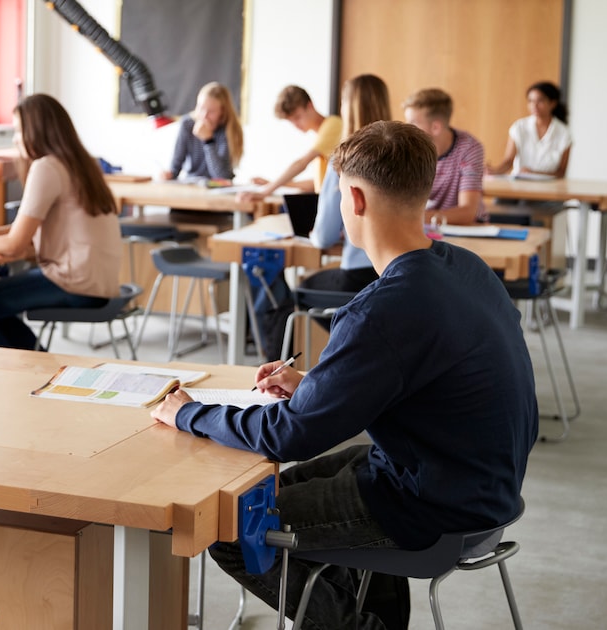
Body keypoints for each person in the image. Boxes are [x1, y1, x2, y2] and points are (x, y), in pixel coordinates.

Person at [151, 121, 538, 628]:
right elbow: (424, 381)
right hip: (483, 486)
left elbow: (290, 436)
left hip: (432, 504)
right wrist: (317, 385)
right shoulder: (465, 268)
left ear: (352, 198)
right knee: (263, 494)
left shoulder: (383, 310)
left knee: (230, 525)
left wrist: (189, 413)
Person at [0, 94, 122, 350]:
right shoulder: (81, 164)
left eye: (19, 131)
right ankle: (36, 364)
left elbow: (14, 245)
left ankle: (23, 368)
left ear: (37, 131)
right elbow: (19, 230)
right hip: (98, 282)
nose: (15, 139)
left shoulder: (47, 167)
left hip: (73, 282)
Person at [302, 74, 392, 293]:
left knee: (303, 287)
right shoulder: (404, 156)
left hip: (359, 277)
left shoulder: (343, 160)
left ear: (347, 108)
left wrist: (316, 235)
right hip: (399, 273)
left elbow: (325, 237)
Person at [238, 85, 342, 202]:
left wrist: (265, 192)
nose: (296, 125)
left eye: (297, 117)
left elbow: (301, 163)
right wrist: (271, 183)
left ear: (310, 106)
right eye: (291, 121)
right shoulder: (320, 137)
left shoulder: (332, 125)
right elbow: (316, 184)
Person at [402, 88, 487, 225]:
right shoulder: (407, 148)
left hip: (466, 228)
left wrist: (411, 218)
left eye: (413, 123)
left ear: (436, 127)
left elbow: (467, 213)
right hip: (425, 226)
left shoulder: (469, 148)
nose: (406, 129)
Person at [160, 82, 244, 182]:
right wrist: (169, 174)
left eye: (211, 111)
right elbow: (175, 168)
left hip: (218, 187)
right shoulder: (187, 124)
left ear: (222, 112)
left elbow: (221, 176)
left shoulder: (228, 130)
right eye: (201, 108)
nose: (204, 115)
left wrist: (208, 141)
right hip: (192, 184)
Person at [486, 81, 573, 178]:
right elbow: (509, 161)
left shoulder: (564, 133)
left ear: (553, 103)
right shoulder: (519, 127)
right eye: (530, 101)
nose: (534, 105)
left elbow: (561, 173)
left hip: (550, 186)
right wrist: (495, 171)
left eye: (540, 101)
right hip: (519, 183)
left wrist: (533, 173)